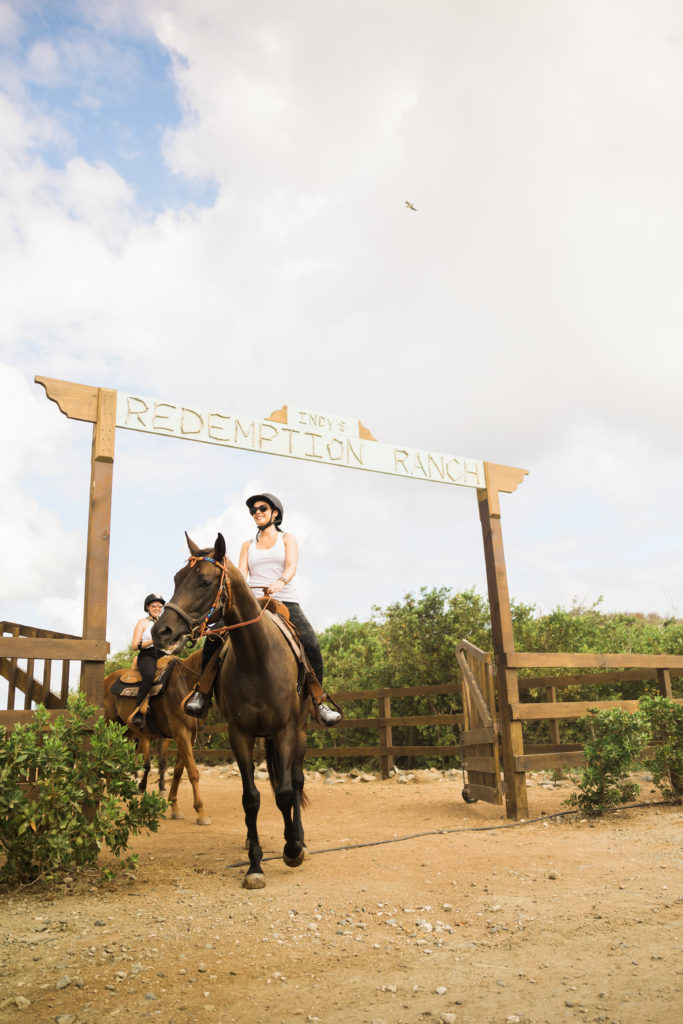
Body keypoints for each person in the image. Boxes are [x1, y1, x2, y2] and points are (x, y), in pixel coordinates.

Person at [185, 492, 341, 725]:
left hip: (284, 600)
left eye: (262, 508)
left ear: (275, 513)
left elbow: (291, 567)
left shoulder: (287, 539)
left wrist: (281, 581)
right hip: (252, 602)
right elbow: (241, 574)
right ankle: (202, 693)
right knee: (214, 638)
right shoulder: (247, 545)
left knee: (311, 642)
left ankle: (319, 701)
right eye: (253, 510)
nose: (257, 512)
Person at [128, 593, 166, 729]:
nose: (157, 608)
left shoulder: (165, 623)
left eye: (160, 606)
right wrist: (153, 641)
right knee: (149, 675)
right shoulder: (142, 622)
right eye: (154, 606)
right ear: (147, 607)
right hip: (147, 655)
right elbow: (134, 646)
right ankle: (138, 710)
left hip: (163, 654)